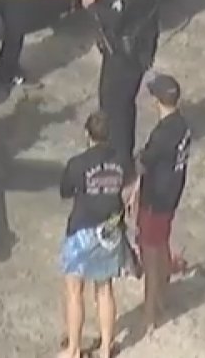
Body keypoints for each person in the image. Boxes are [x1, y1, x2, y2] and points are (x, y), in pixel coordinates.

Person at [80, 0, 162, 169]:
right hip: (139, 50)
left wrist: (92, 7)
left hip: (123, 54)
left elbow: (115, 18)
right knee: (125, 105)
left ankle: (117, 159)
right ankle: (122, 153)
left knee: (113, 106)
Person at [58, 111, 135, 358]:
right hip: (110, 230)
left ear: (87, 134)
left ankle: (73, 349)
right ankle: (105, 348)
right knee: (104, 289)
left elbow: (65, 191)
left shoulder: (77, 163)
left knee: (74, 290)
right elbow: (128, 183)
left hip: (82, 228)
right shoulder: (122, 160)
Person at [133, 73, 191, 334]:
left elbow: (143, 162)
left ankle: (149, 314)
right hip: (171, 196)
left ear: (157, 100)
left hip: (155, 200)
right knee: (162, 245)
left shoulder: (162, 134)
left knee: (150, 254)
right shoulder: (183, 127)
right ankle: (163, 298)